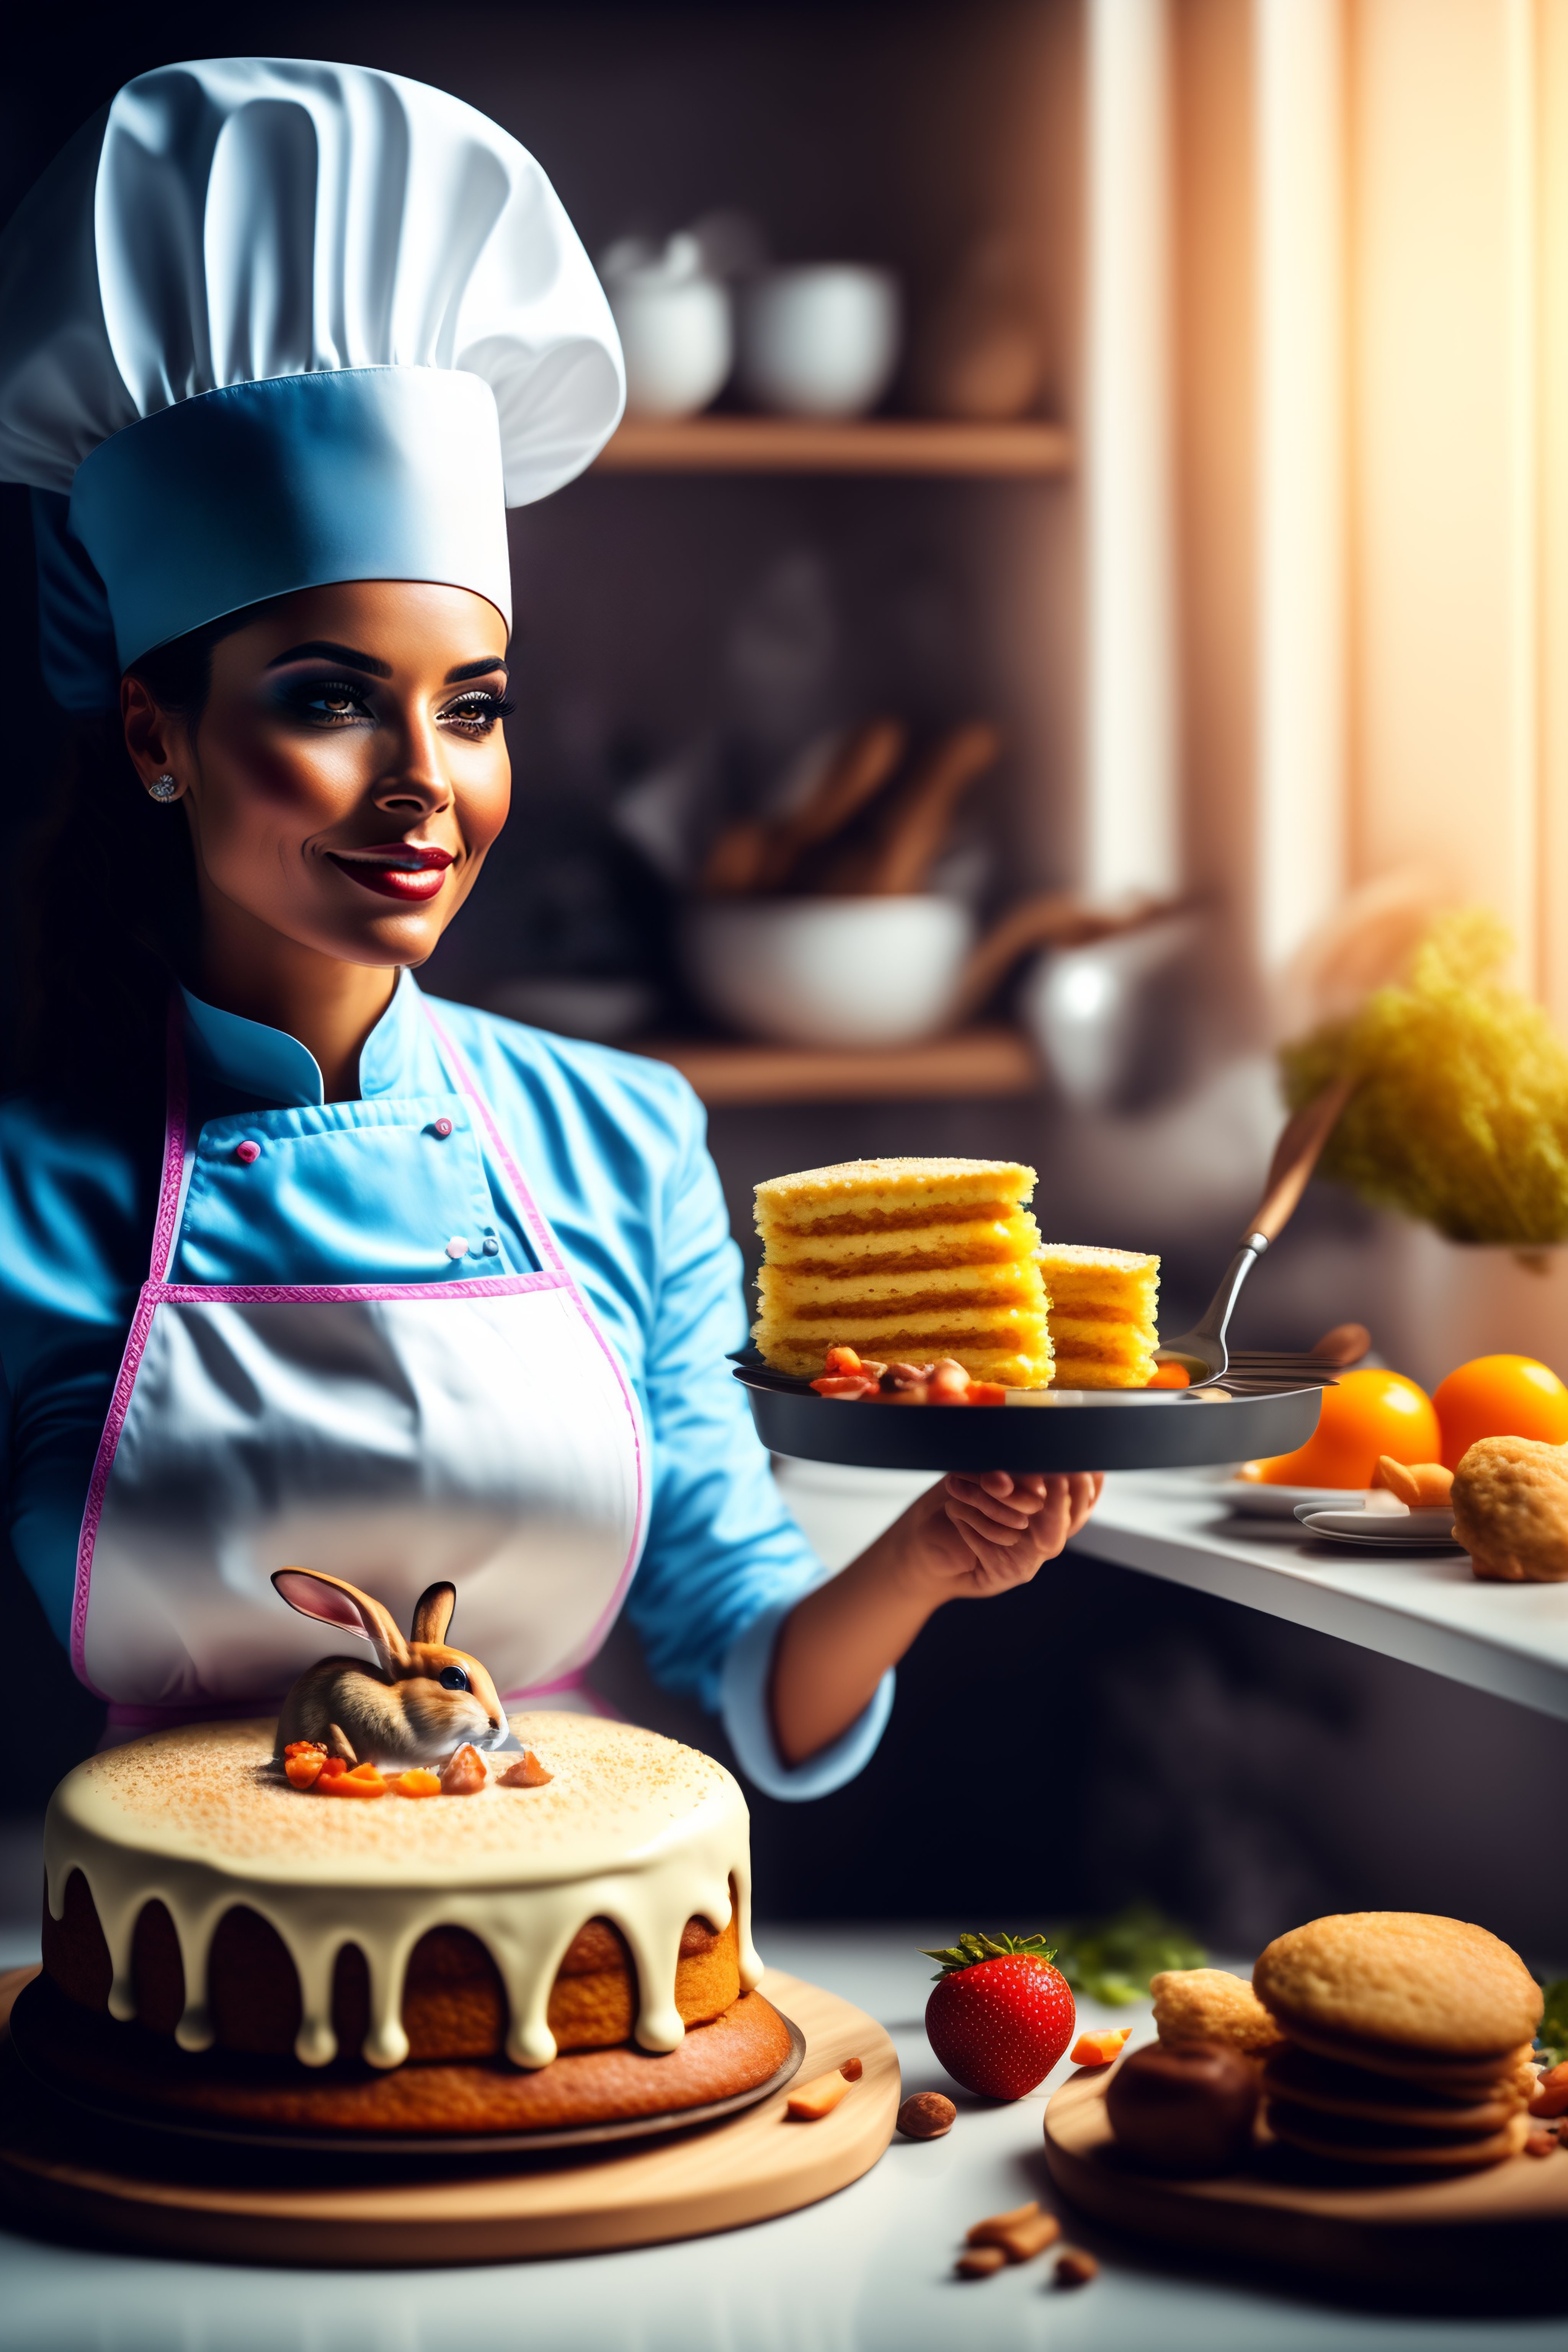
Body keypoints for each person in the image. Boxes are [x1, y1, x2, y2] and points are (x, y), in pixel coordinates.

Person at [0, 58, 1101, 1797]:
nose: (423, 784)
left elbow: (749, 1653)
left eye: (476, 705)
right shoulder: (34, 1180)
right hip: (158, 1989)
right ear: (158, 734)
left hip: (558, 1956)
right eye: (332, 701)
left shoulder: (621, 1137)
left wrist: (932, 1557)